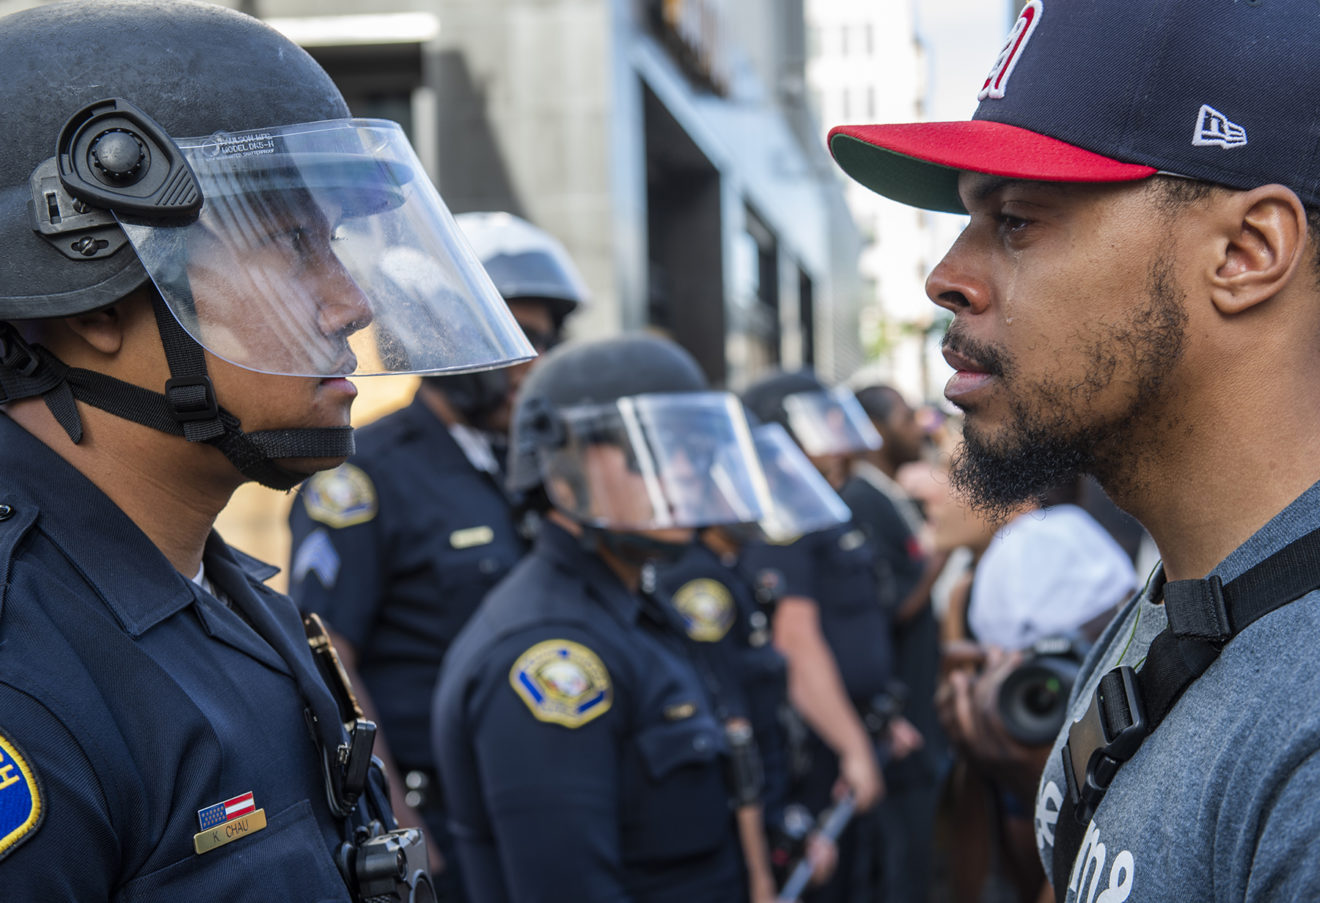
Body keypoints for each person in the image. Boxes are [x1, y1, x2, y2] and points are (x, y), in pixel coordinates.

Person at [0, 1, 534, 899]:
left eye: (332, 242)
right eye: (291, 242)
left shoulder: (226, 594)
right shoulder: (28, 674)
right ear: (90, 299)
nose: (350, 301)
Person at [828, 1, 1320, 899]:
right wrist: (1017, 778)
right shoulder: (1185, 597)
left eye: (1015, 219)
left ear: (1248, 251)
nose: (946, 276)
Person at [286, 211, 587, 891]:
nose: (532, 365)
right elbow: (328, 654)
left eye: (544, 341)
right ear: (446, 331)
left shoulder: (528, 465)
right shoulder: (366, 472)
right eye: (516, 338)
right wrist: (393, 813)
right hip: (441, 818)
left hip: (533, 802)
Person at [431, 334, 776, 901]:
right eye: (651, 452)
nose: (687, 471)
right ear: (563, 474)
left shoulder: (635, 609)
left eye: (691, 448)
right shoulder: (550, 654)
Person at [653, 420, 856, 899]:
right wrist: (761, 869)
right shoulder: (700, 585)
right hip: (734, 837)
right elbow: (734, 729)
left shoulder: (732, 569)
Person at [740, 370, 910, 903]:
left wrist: (877, 720)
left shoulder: (820, 506)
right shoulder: (782, 520)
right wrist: (852, 746)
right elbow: (797, 642)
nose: (835, 444)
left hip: (847, 731)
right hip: (814, 749)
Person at [851, 383, 946, 903]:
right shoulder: (862, 502)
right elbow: (894, 608)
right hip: (901, 720)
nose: (919, 426)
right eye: (907, 416)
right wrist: (947, 550)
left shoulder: (889, 494)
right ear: (877, 430)